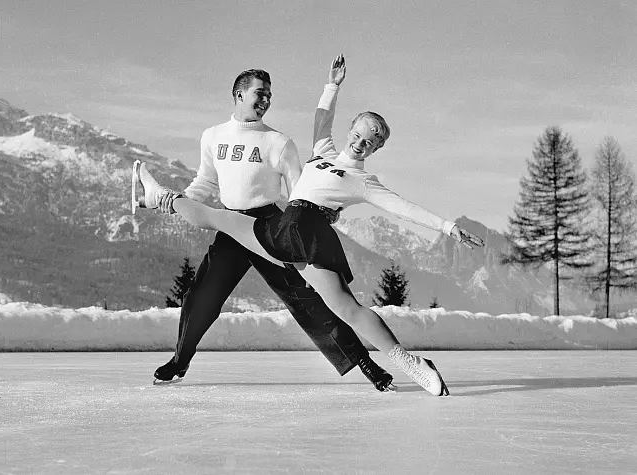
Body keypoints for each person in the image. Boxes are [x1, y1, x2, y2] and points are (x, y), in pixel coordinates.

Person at [134, 55, 484, 396]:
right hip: (280, 228)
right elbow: (321, 121)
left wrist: (447, 226)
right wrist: (332, 86)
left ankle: (156, 195)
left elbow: (398, 206)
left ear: (376, 149)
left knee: (316, 300)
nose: (361, 143)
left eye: (371, 142)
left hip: (287, 227)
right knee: (214, 279)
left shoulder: (338, 169)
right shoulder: (314, 150)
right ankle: (414, 366)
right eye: (360, 134)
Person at [142, 66, 395, 391]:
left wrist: (324, 213)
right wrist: (180, 203)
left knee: (307, 300)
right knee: (201, 295)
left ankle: (366, 363)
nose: (266, 100)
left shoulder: (279, 142)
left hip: (272, 228)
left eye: (269, 95)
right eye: (260, 94)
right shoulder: (212, 136)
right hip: (232, 227)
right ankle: (180, 360)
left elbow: (299, 192)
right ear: (239, 95)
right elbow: (205, 182)